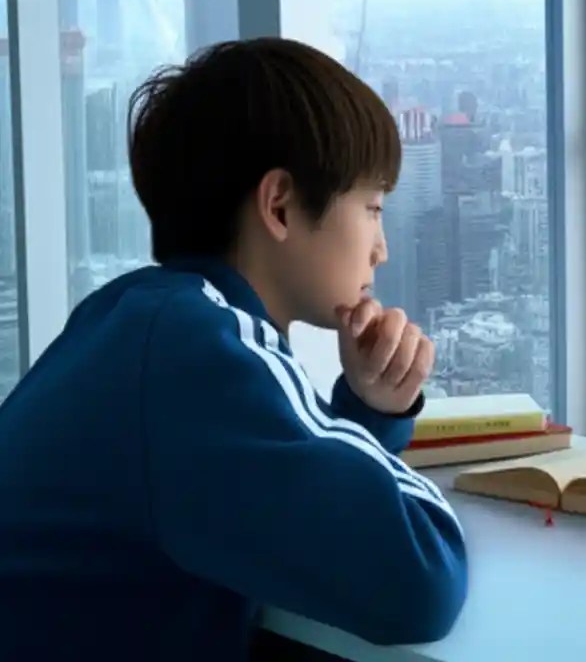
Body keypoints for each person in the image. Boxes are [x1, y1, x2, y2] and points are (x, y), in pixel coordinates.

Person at [0, 38, 468, 660]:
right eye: (373, 208)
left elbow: (272, 493)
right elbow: (422, 577)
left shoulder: (134, 317)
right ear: (279, 205)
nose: (381, 248)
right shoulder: (199, 350)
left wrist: (367, 409)